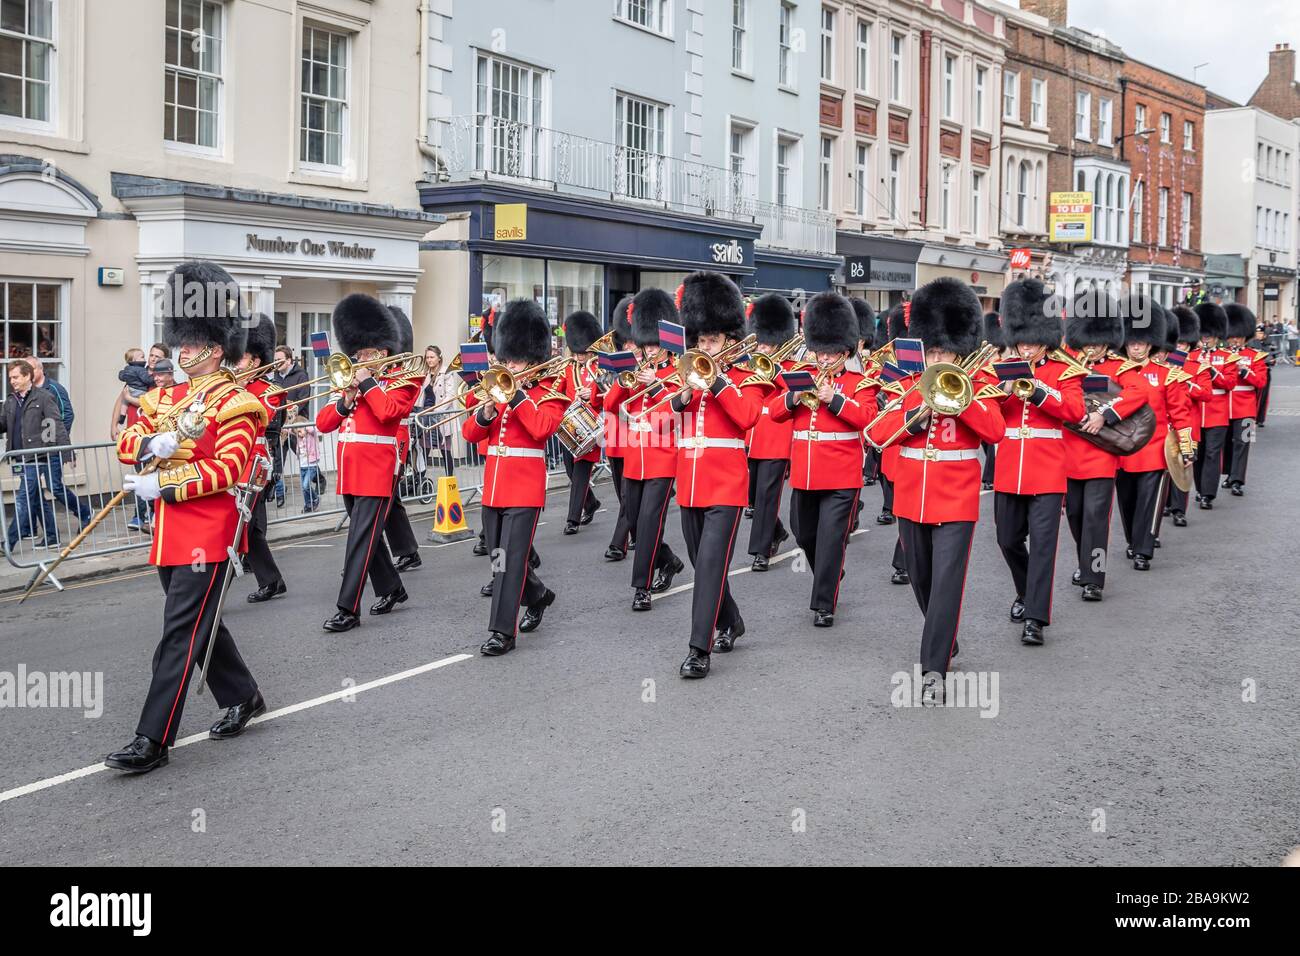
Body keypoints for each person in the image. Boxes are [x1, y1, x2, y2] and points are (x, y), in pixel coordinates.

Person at [104, 260, 268, 774]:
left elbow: (230, 467)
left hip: (208, 531)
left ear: (215, 349)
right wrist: (154, 442)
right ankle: (243, 696)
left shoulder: (236, 401)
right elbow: (127, 443)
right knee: (199, 626)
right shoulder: (163, 397)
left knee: (178, 633)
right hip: (168, 534)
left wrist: (164, 482)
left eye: (191, 344)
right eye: (182, 341)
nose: (181, 351)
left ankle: (152, 738)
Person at [867, 278, 1006, 707]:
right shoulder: (909, 383)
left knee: (947, 584)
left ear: (959, 349)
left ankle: (933, 668)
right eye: (933, 351)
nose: (938, 358)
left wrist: (960, 402)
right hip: (911, 494)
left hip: (956, 496)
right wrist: (917, 411)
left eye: (944, 352)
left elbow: (996, 431)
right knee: (923, 580)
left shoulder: (979, 381)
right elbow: (876, 434)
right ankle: (945, 639)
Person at [670, 272, 763, 679]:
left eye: (711, 340)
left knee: (709, 565)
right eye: (700, 340)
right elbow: (664, 415)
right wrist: (685, 395)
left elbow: (747, 417)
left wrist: (718, 381)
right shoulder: (686, 373)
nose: (704, 347)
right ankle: (732, 621)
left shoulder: (747, 375)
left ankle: (698, 649)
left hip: (726, 485)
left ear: (728, 339)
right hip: (689, 484)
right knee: (700, 563)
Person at [464, 299, 568, 657]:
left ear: (533, 358)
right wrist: (488, 409)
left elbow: (541, 429)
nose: (509, 366)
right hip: (494, 486)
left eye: (516, 360)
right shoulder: (497, 390)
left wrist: (516, 395)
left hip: (525, 487)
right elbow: (469, 435)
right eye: (506, 360)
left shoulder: (551, 391)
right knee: (499, 558)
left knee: (507, 561)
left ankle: (502, 632)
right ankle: (538, 595)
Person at [767, 293, 874, 627]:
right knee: (804, 535)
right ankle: (831, 571)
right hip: (805, 473)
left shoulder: (860, 383)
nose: (824, 358)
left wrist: (836, 399)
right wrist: (793, 397)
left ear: (845, 352)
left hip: (842, 476)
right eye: (820, 351)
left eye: (831, 353)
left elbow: (868, 418)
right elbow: (772, 412)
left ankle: (823, 603)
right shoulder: (800, 375)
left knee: (830, 539)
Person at [991, 279, 1086, 647]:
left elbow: (1075, 411)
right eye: (1021, 340)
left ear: (1046, 337)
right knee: (1007, 540)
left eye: (1032, 340)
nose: (1026, 346)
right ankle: (1025, 590)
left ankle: (1036, 618)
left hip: (1047, 472)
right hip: (1008, 469)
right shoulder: (1002, 367)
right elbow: (986, 414)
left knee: (1044, 547)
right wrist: (1001, 394)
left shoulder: (1065, 371)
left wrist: (1039, 389)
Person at [315, 294, 416, 632]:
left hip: (377, 468)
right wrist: (344, 400)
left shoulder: (404, 379)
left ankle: (348, 609)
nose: (356, 358)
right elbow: (324, 423)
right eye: (356, 353)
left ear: (382, 352)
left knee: (359, 540)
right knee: (369, 539)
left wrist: (368, 383)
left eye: (363, 354)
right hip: (349, 468)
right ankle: (392, 588)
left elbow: (389, 413)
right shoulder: (348, 382)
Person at [600, 288, 686, 610]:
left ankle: (642, 587)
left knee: (650, 522)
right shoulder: (635, 374)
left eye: (655, 344)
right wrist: (625, 383)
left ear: (666, 345)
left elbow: (675, 416)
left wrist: (658, 383)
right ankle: (669, 561)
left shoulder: (678, 375)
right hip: (635, 456)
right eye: (647, 344)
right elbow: (610, 407)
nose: (650, 350)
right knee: (634, 523)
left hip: (663, 458)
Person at [1063, 297, 1146, 603]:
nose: (1092, 348)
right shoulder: (1068, 364)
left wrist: (1106, 414)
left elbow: (1140, 392)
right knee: (1074, 514)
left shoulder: (1118, 366)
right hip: (1069, 451)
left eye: (1098, 342)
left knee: (1096, 517)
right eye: (1088, 342)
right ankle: (1084, 562)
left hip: (1099, 454)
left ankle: (1093, 577)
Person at [1114, 298, 1194, 571]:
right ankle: (1132, 540)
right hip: (1123, 449)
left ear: (1151, 344)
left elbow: (1180, 414)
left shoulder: (1167, 375)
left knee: (1149, 502)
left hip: (1155, 449)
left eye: (1141, 342)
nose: (1136, 346)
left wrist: (1186, 448)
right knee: (1127, 501)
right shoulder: (1115, 373)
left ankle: (1143, 549)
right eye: (1132, 342)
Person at [235, 314, 287, 604]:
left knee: (235, 526)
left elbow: (266, 420)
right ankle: (272, 581)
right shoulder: (235, 386)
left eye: (240, 359)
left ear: (255, 361)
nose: (235, 364)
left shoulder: (270, 390)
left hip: (255, 466)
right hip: (236, 462)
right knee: (250, 528)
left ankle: (209, 590)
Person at [743, 293, 795, 572]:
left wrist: (773, 371)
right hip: (754, 435)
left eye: (768, 343)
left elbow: (793, 394)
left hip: (777, 436)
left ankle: (760, 551)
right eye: (760, 341)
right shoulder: (751, 363)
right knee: (753, 496)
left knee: (766, 495)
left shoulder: (789, 367)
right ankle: (776, 531)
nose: (763, 347)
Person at [2, 359, 72, 550]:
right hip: (19, 457)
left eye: (16, 377)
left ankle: (8, 543)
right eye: (11, 378)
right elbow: (3, 424)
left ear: (27, 376)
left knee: (23, 498)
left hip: (36, 457)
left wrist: (66, 452)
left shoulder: (43, 397)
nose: (13, 381)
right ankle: (52, 536)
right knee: (35, 497)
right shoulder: (11, 400)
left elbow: (56, 424)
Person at [380, 306, 424, 573]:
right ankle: (407, 551)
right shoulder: (378, 373)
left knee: (383, 500)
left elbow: (396, 409)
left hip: (397, 439)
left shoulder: (405, 375)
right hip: (377, 442)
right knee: (388, 499)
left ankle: (369, 556)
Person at [557, 309, 604, 534]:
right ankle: (591, 502)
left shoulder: (600, 367)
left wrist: (592, 393)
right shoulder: (566, 368)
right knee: (570, 471)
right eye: (577, 352)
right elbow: (555, 393)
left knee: (581, 473)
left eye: (583, 352)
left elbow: (609, 393)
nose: (579, 356)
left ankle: (572, 520)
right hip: (569, 426)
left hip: (592, 427)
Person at [1163, 306, 1207, 527]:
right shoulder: (1163, 366)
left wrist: (1187, 383)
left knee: (1183, 466)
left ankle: (1180, 510)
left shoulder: (1197, 368)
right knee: (1164, 467)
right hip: (1165, 425)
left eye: (1182, 344)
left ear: (1188, 345)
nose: (1179, 347)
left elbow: (1206, 393)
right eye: (1176, 343)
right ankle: (1166, 503)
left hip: (1187, 424)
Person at [1219, 304, 1268, 496]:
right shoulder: (1221, 356)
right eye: (1232, 336)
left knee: (1243, 442)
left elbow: (1261, 381)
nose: (1235, 340)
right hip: (1224, 406)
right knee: (1226, 444)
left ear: (1245, 336)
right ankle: (1230, 475)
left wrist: (1245, 371)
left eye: (1238, 337)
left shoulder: (1255, 356)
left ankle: (1238, 480)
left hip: (1246, 408)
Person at [602, 296, 636, 560]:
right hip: (613, 440)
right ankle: (636, 534)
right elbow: (606, 403)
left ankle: (618, 544)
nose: (630, 348)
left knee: (627, 498)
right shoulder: (614, 370)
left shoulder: (647, 373)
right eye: (627, 343)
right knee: (622, 495)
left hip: (635, 442)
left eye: (634, 344)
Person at [1191, 302, 1234, 510]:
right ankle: (1200, 490)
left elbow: (1230, 383)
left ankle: (1208, 494)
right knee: (1197, 453)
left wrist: (1214, 372)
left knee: (1212, 453)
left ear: (1217, 335)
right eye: (1203, 334)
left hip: (1217, 412)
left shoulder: (1227, 358)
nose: (1206, 338)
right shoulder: (1191, 357)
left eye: (1209, 334)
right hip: (1197, 411)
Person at [270, 345, 309, 505]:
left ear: (289, 360)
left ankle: (318, 478)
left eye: (279, 360)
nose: (276, 363)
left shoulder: (301, 375)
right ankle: (279, 492)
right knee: (278, 458)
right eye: (275, 360)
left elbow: (304, 397)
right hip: (282, 424)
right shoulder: (276, 376)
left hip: (296, 423)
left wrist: (291, 413)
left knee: (304, 456)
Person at [294, 408, 323, 512]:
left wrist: (305, 428)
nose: (299, 434)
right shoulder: (299, 437)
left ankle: (315, 499)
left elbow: (313, 429)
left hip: (311, 465)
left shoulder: (311, 434)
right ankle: (308, 505)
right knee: (304, 487)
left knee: (306, 485)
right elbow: (289, 430)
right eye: (297, 432)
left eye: (300, 431)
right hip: (303, 466)